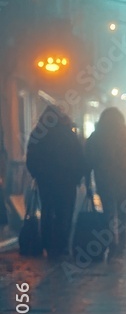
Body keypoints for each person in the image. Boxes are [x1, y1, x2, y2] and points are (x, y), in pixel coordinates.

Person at [25, 105, 86, 258]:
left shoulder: (38, 133)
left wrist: (37, 175)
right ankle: (62, 245)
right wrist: (77, 177)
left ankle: (47, 244)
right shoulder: (68, 134)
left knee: (47, 210)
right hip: (67, 181)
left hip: (46, 181)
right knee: (64, 213)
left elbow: (31, 157)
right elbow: (79, 156)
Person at [85, 107, 126, 257]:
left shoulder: (96, 136)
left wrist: (88, 182)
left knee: (108, 212)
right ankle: (122, 242)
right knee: (123, 213)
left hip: (104, 179)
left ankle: (111, 242)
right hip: (124, 180)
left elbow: (88, 160)